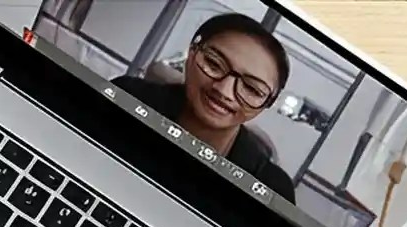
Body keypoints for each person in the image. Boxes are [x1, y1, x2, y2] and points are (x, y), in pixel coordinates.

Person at [113, 13, 297, 202]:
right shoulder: (126, 97)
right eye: (214, 64)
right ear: (191, 53)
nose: (224, 91)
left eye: (251, 88)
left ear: (268, 102)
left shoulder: (271, 189)